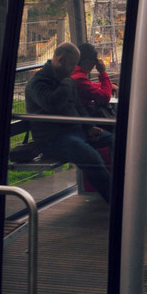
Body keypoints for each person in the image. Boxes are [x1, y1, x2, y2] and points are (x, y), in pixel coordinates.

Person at [25, 42, 111, 203]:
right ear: (60, 59)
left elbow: (77, 106)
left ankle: (121, 191)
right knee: (91, 158)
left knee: (118, 141)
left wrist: (89, 127)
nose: (74, 68)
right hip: (54, 138)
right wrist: (66, 81)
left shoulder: (66, 79)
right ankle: (117, 202)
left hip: (75, 131)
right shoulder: (38, 83)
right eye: (72, 64)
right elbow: (52, 104)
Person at [71, 43, 114, 118]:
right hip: (84, 121)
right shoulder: (79, 79)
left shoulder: (74, 72)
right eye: (95, 61)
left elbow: (90, 84)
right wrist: (103, 73)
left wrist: (109, 84)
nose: (95, 65)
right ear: (87, 61)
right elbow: (105, 96)